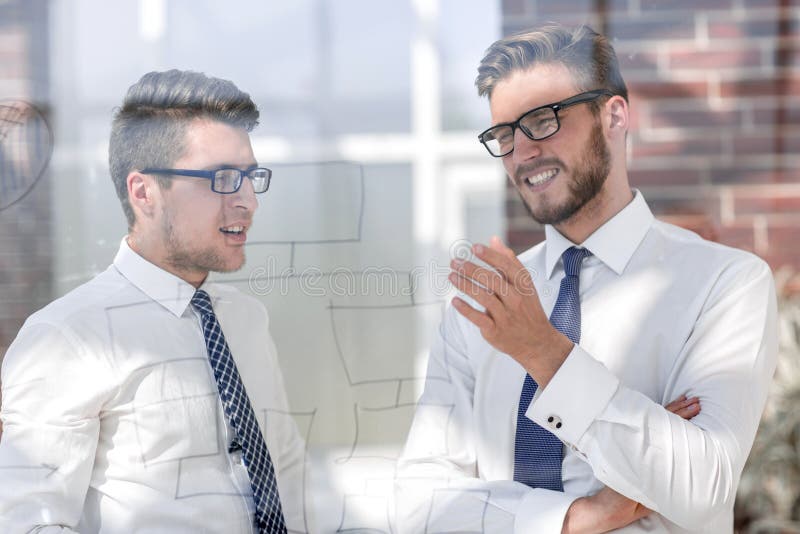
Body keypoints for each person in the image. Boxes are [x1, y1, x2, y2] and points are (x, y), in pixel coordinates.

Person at [395, 23, 777, 533]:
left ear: (614, 114)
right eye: (505, 134)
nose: (522, 151)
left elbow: (701, 486)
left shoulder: (725, 284)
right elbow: (419, 504)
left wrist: (544, 354)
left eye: (544, 120)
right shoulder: (486, 305)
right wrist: (574, 518)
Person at [0, 70, 308, 533]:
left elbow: (286, 473)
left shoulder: (247, 321)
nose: (248, 202)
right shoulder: (66, 337)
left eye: (249, 177)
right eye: (222, 178)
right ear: (144, 192)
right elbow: (28, 521)